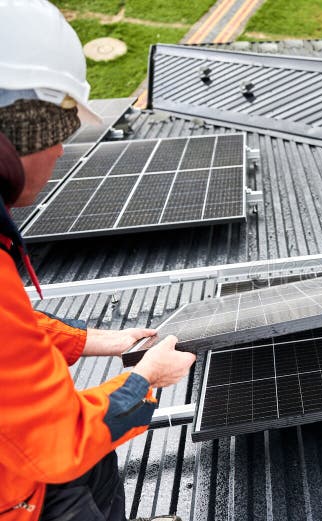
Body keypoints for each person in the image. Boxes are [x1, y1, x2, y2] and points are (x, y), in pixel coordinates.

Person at [0, 2, 196, 521]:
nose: (62, 150)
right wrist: (146, 381)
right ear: (15, 130)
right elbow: (59, 440)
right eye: (57, 126)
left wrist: (91, 342)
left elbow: (9, 333)